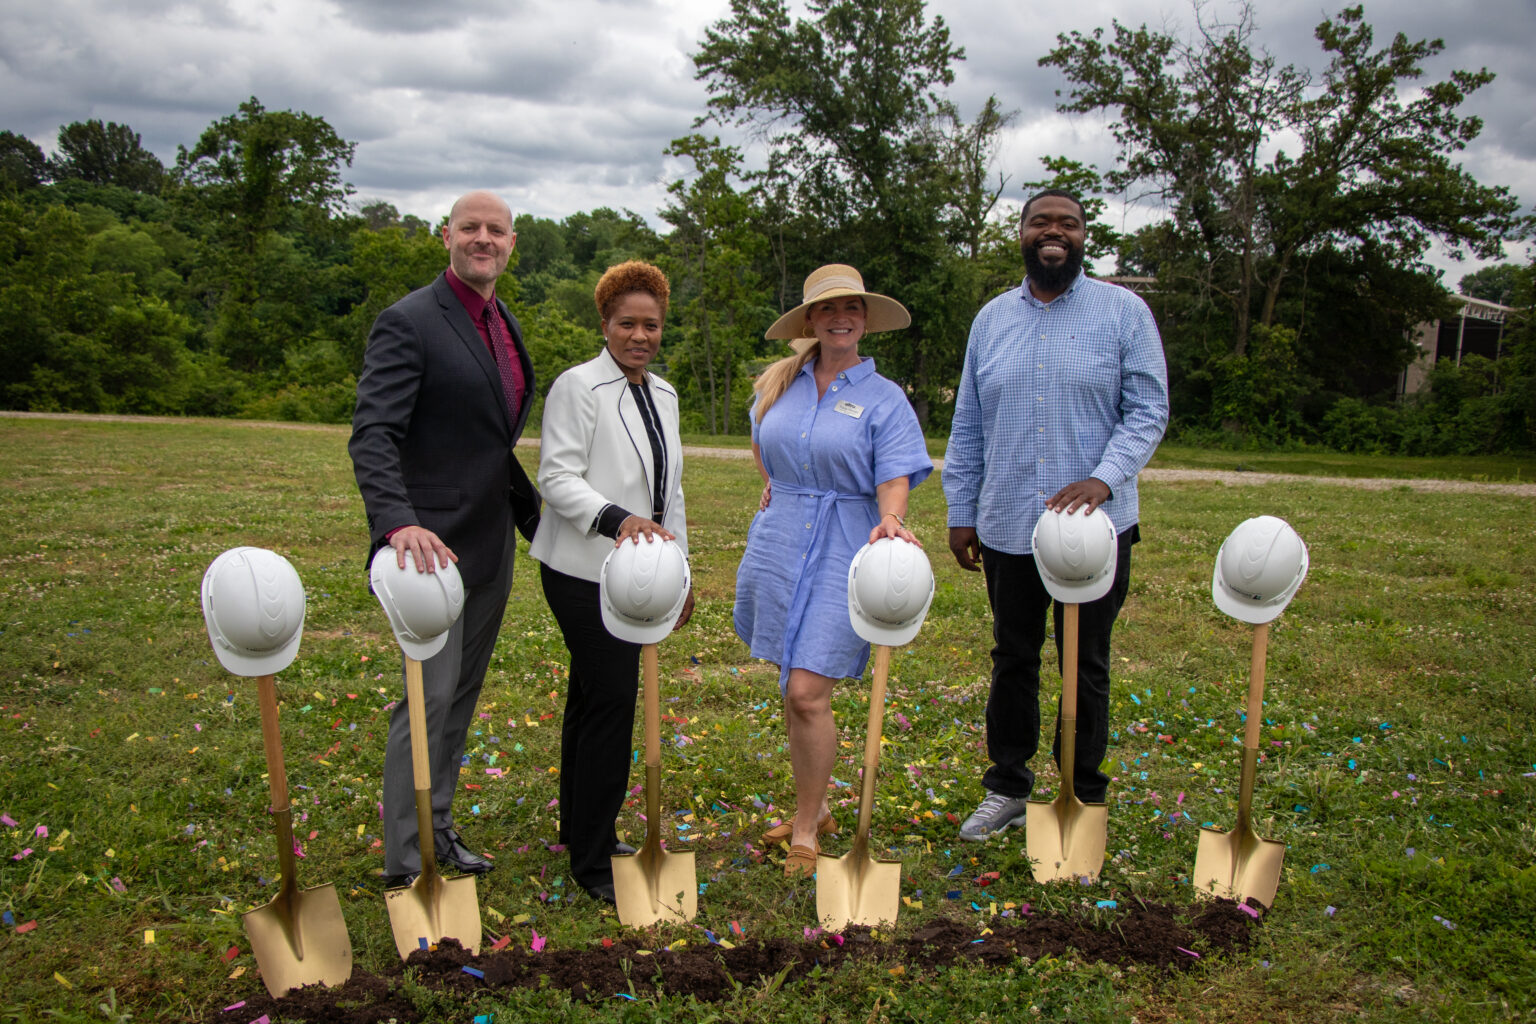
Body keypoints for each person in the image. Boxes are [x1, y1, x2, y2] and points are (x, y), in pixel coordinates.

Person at [944, 189, 1169, 841]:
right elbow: (969, 423)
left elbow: (1148, 409)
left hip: (1093, 532)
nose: (1054, 232)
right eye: (1041, 221)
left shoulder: (1123, 313)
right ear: (1021, 234)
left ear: (1082, 237)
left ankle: (1082, 795)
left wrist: (1103, 479)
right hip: (1008, 524)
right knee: (1013, 657)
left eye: (1067, 223)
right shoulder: (990, 320)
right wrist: (964, 509)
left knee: (1085, 661)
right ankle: (1008, 788)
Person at [349, 190, 541, 886]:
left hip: (489, 546)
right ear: (446, 237)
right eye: (470, 228)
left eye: (495, 229)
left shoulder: (502, 322)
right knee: (426, 700)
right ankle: (408, 860)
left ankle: (440, 827)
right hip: (424, 552)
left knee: (459, 698)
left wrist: (536, 520)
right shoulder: (409, 322)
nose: (482, 238)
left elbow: (490, 443)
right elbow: (373, 434)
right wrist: (398, 521)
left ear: (512, 243)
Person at [734, 264, 933, 876]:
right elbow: (760, 436)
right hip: (780, 540)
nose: (840, 316)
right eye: (827, 309)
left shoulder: (884, 397)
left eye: (851, 307)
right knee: (793, 689)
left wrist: (891, 519)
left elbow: (894, 471)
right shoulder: (782, 382)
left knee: (806, 692)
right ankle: (814, 810)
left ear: (865, 319)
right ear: (810, 321)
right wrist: (773, 485)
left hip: (846, 541)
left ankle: (804, 829)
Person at [529, 260, 694, 905]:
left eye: (651, 325)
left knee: (592, 701)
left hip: (644, 575)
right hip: (580, 570)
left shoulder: (667, 395)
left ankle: (580, 831)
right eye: (627, 323)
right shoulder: (579, 387)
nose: (640, 335)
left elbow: (670, 494)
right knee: (611, 704)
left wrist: (679, 575)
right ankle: (594, 861)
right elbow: (557, 477)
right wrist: (618, 521)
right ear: (605, 324)